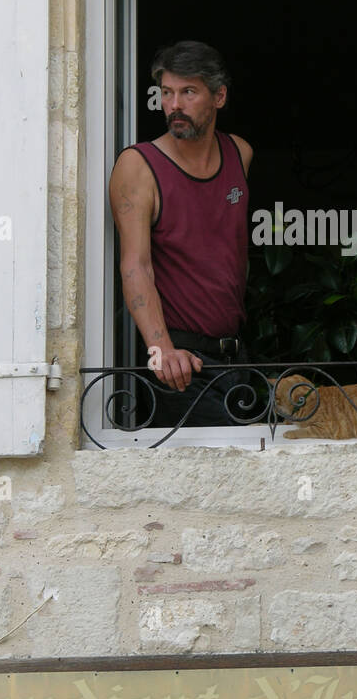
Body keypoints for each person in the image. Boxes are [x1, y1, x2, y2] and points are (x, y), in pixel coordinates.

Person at [108, 41, 253, 430]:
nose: (174, 105)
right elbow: (135, 266)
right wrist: (162, 350)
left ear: (219, 96)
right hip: (180, 363)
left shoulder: (240, 154)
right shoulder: (138, 166)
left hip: (237, 357)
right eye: (167, 93)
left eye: (188, 92)